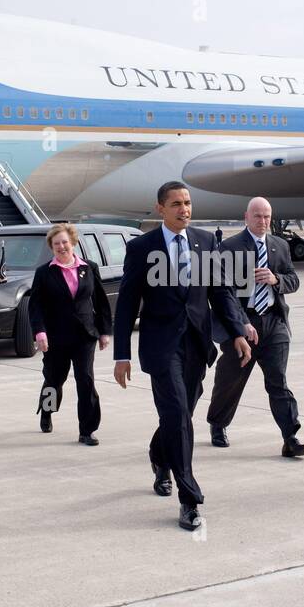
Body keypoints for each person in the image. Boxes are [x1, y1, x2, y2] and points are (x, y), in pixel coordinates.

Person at [113, 182, 252, 531]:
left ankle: (160, 459)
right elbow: (128, 302)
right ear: (160, 208)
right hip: (161, 347)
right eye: (176, 204)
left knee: (181, 416)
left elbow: (220, 291)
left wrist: (236, 331)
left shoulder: (205, 241)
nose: (184, 209)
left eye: (188, 203)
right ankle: (189, 499)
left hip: (196, 344)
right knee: (177, 413)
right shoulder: (142, 247)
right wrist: (121, 354)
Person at [205, 197, 304, 458]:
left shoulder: (280, 246)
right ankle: (218, 424)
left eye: (266, 217)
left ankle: (290, 437)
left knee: (278, 381)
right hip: (241, 323)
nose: (262, 221)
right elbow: (223, 291)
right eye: (257, 216)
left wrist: (277, 280)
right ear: (246, 217)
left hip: (274, 323)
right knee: (230, 379)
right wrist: (241, 322)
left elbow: (293, 280)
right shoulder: (229, 247)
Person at [29, 223, 112, 445]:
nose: (61, 246)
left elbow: (101, 302)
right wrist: (40, 332)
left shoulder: (89, 268)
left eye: (64, 242)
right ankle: (47, 412)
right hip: (56, 337)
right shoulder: (44, 272)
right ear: (51, 247)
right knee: (54, 380)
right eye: (56, 244)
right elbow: (35, 306)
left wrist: (104, 331)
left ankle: (87, 430)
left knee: (85, 380)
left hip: (85, 335)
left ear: (73, 243)